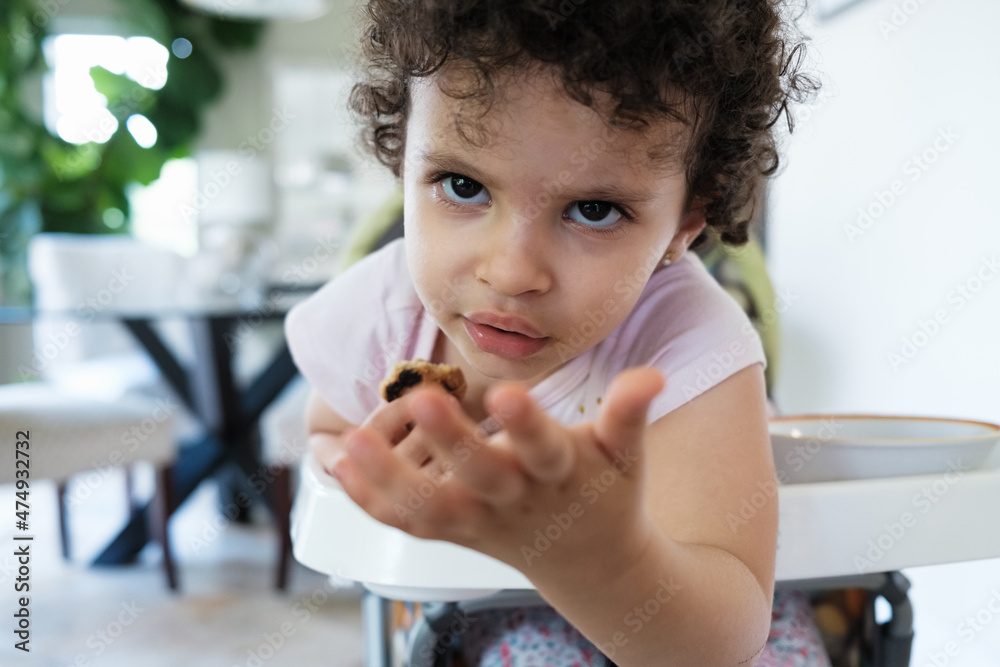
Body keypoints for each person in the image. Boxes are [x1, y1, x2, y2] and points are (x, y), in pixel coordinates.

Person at [286, 1, 827, 664]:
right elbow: (329, 432)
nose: (512, 272)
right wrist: (377, 469)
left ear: (686, 221)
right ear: (402, 155)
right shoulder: (386, 313)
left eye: (593, 210)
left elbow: (730, 629)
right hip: (484, 612)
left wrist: (606, 559)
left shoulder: (690, 346)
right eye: (462, 185)